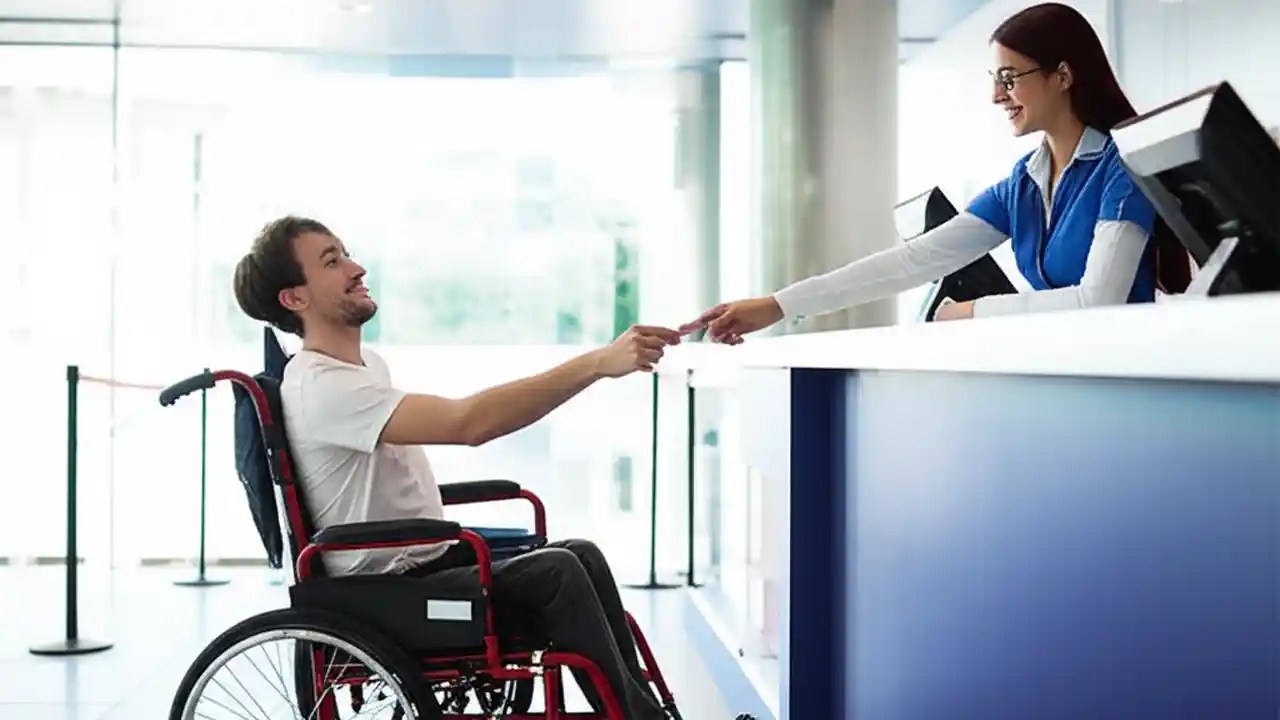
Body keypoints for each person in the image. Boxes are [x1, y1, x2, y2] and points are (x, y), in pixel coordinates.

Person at [232, 215, 678, 719]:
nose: (356, 268)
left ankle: (639, 711)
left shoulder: (362, 367)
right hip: (387, 595)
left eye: (346, 253)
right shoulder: (323, 386)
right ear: (295, 298)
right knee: (558, 572)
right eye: (332, 262)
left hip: (420, 565)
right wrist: (596, 363)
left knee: (581, 555)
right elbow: (470, 423)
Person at [681, 2, 1191, 344]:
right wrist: (778, 303)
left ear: (1063, 75)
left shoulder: (1121, 166)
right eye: (994, 79)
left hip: (1127, 378)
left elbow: (1100, 300)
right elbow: (914, 261)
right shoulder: (1024, 183)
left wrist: (970, 312)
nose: (996, 95)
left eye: (1009, 78)